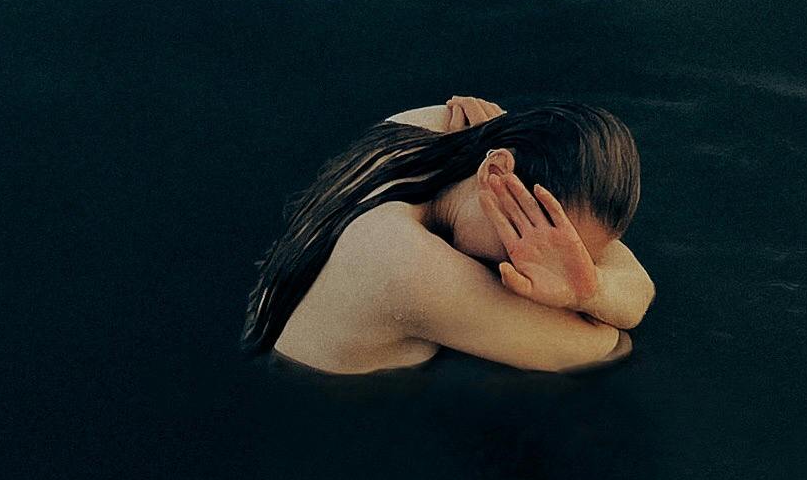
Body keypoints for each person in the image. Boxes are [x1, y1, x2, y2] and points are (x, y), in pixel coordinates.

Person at [244, 95, 654, 375]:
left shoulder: (431, 128)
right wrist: (593, 297)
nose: (544, 259)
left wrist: (585, 288)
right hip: (319, 413)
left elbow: (632, 282)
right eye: (539, 231)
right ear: (496, 174)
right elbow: (608, 344)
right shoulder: (410, 269)